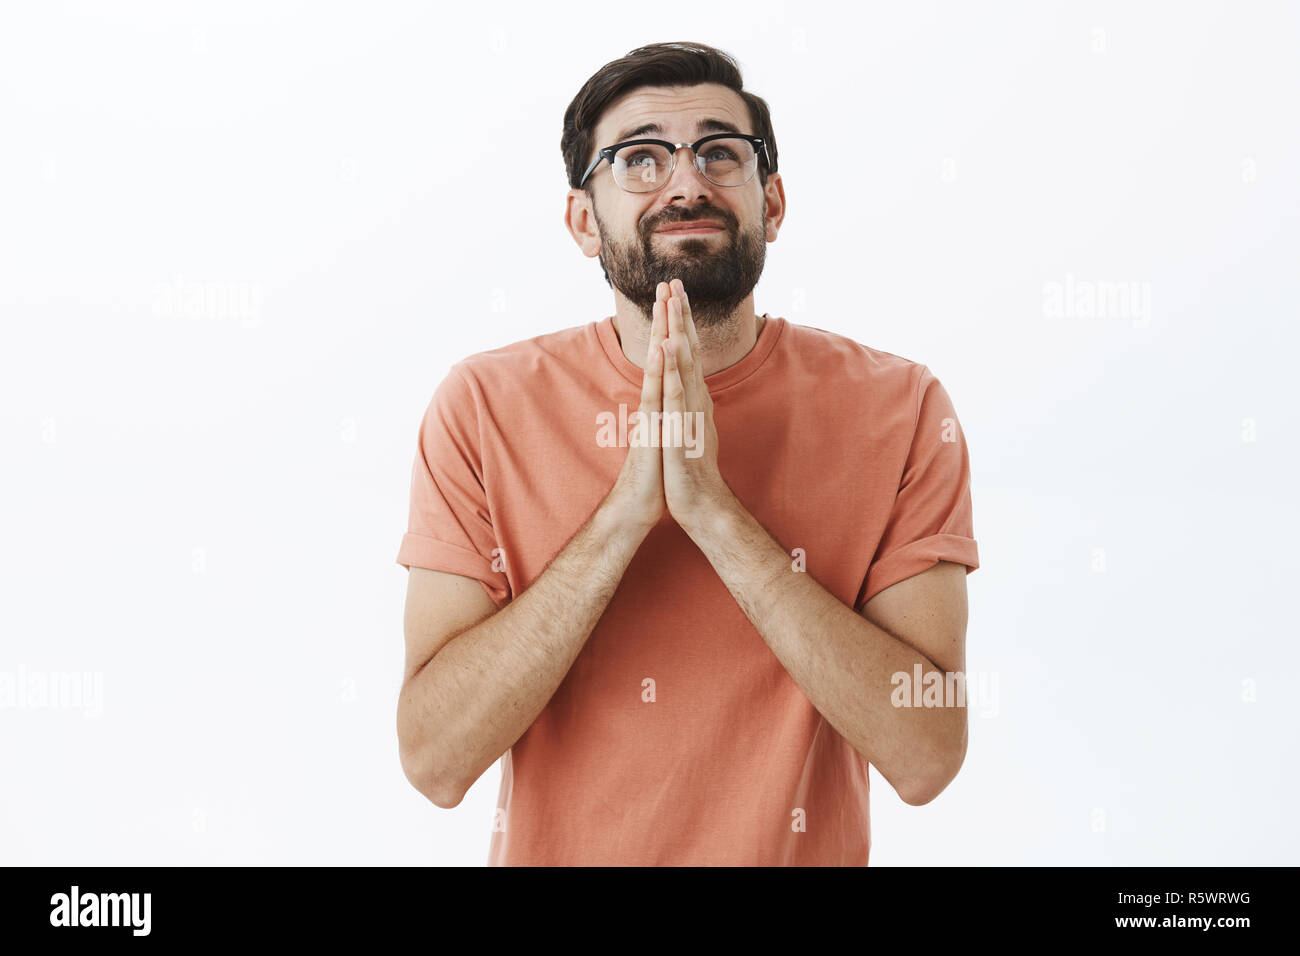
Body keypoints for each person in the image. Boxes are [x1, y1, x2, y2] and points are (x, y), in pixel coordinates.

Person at [395, 41, 979, 866]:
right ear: (582, 221)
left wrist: (711, 512)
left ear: (771, 202)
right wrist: (628, 512)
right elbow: (434, 760)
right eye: (639, 158)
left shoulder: (902, 407)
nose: (685, 183)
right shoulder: (482, 406)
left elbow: (926, 757)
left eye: (718, 152)